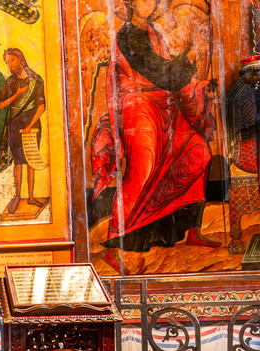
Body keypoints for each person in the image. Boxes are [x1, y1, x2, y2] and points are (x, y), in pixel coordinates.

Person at [93, 0, 218, 270]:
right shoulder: (127, 36)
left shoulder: (155, 33)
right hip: (137, 105)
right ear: (130, 4)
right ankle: (114, 244)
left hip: (165, 104)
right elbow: (160, 71)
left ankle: (191, 229)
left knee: (199, 152)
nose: (148, 2)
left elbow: (169, 74)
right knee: (143, 167)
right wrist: (190, 58)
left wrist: (201, 85)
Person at [0, 48, 46, 214]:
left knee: (31, 159)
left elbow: (41, 105)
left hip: (32, 125)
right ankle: (18, 196)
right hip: (15, 125)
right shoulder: (10, 82)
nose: (9, 65)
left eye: (11, 60)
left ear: (20, 59)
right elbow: (1, 104)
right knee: (18, 161)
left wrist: (30, 125)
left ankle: (31, 196)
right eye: (7, 63)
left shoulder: (36, 80)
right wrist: (17, 93)